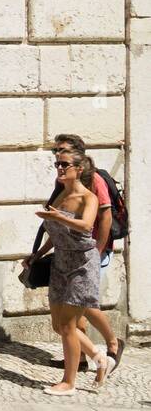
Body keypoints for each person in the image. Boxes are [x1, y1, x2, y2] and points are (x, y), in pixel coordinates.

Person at [32, 134, 122, 373]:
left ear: (78, 160)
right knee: (68, 318)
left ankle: (111, 345)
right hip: (66, 255)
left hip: (89, 252)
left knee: (84, 309)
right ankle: (82, 358)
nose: (58, 161)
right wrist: (38, 253)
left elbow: (104, 219)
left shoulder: (95, 183)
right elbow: (57, 225)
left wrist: (97, 252)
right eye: (56, 156)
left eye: (62, 154)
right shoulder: (60, 187)